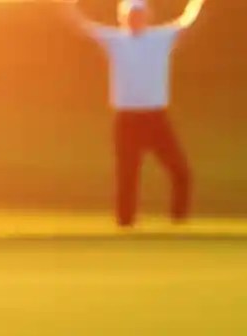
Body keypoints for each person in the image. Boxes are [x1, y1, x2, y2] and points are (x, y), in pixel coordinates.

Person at [57, 0, 208, 227]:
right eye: (131, 15)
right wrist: (67, 5)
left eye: (138, 14)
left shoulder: (160, 38)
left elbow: (188, 21)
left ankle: (179, 223)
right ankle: (125, 225)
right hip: (127, 119)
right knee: (127, 177)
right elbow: (81, 26)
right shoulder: (115, 40)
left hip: (155, 118)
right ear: (123, 18)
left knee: (181, 172)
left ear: (146, 16)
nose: (135, 18)